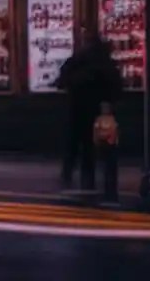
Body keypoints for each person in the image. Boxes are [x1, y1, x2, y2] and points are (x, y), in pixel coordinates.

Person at [56, 36, 122, 191]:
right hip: (100, 111)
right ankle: (97, 179)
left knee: (75, 143)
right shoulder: (105, 64)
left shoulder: (77, 62)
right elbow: (116, 88)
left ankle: (69, 173)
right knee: (99, 147)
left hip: (77, 109)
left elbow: (62, 81)